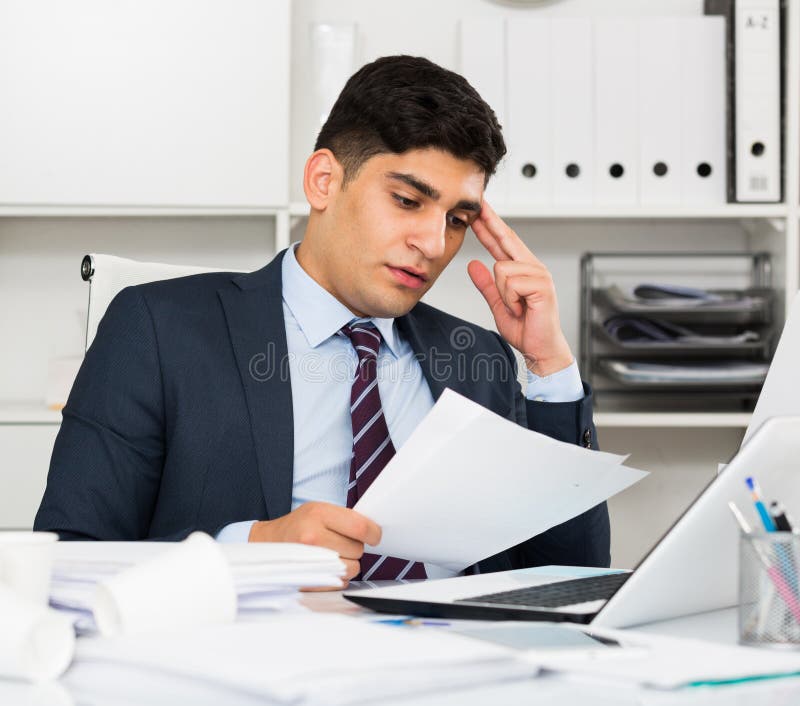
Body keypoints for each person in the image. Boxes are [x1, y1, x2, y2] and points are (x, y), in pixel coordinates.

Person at [35, 55, 609, 586]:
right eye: (408, 202)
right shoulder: (159, 329)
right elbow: (67, 560)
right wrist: (251, 548)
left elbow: (570, 582)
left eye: (457, 219)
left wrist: (549, 366)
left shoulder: (479, 359)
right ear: (323, 181)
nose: (434, 244)